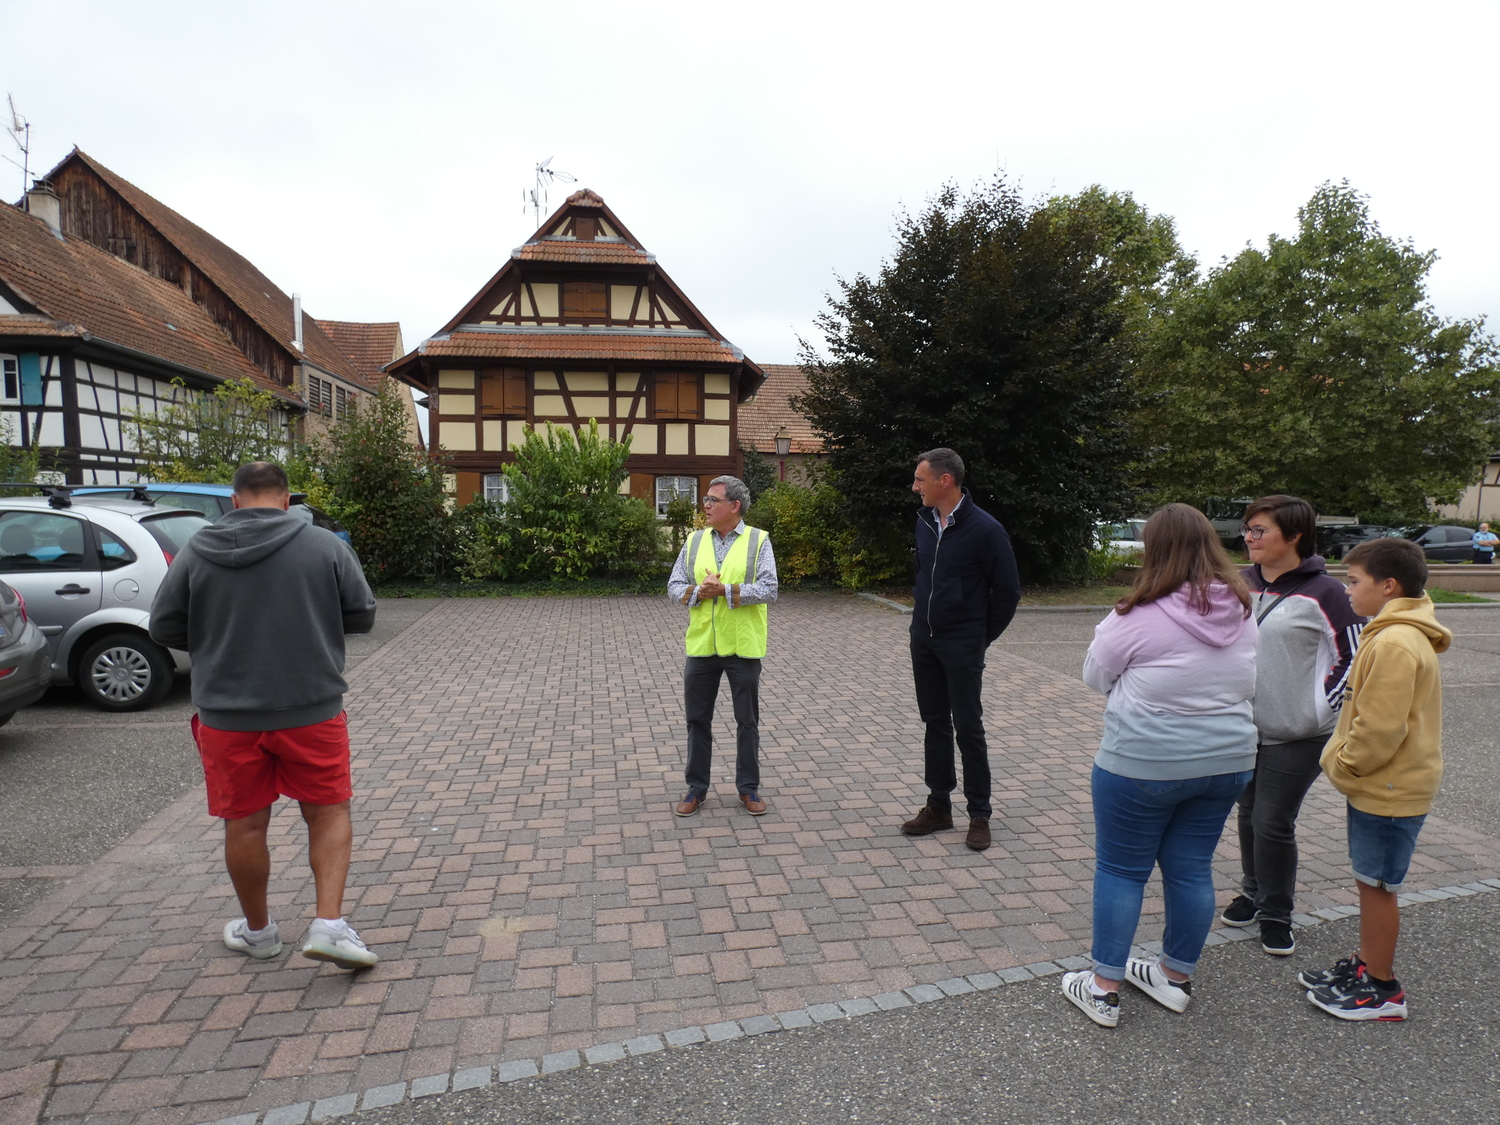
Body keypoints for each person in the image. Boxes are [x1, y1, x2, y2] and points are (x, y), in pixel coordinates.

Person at [149, 461, 379, 970]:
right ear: (286, 499)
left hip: (227, 718)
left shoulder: (194, 552)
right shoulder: (324, 546)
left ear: (234, 501)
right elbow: (362, 614)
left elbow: (163, 627)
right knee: (328, 811)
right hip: (310, 708)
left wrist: (217, 639)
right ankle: (330, 927)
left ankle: (259, 933)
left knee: (245, 825)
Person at [1061, 504, 1257, 1028]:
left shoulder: (1135, 614)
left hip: (1144, 763)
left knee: (1122, 870)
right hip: (1228, 760)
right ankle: (1173, 977)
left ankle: (1103, 988)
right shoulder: (1242, 606)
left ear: (1155, 548)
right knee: (1191, 867)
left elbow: (1094, 676)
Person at [1300, 537, 1450, 1021]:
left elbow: (1380, 728)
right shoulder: (1390, 632)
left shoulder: (1394, 642)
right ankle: (1367, 965)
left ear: (1388, 586)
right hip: (1385, 785)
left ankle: (1382, 989)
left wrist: (1342, 764)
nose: (1347, 590)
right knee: (1371, 882)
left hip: (1388, 789)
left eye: (1354, 581)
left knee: (1378, 886)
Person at [1221, 496, 1364, 957]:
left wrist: (1319, 709)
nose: (1248, 537)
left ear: (1295, 535)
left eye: (1259, 530)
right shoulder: (1240, 582)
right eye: (1247, 529)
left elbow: (1353, 657)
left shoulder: (1328, 593)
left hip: (1298, 733)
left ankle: (1277, 912)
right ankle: (1252, 890)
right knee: (1248, 813)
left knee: (1272, 819)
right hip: (1243, 727)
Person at [902, 448, 1021, 851]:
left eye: (920, 479)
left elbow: (1008, 592)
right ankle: (938, 807)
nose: (914, 486)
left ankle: (979, 814)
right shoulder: (924, 522)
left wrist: (978, 636)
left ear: (944, 481)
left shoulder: (986, 530)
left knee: (969, 728)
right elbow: (923, 575)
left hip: (962, 642)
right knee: (935, 723)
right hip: (925, 639)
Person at [666, 476, 778, 818]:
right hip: (701, 647)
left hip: (742, 648)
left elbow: (770, 589)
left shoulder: (759, 540)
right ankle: (696, 789)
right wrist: (700, 591)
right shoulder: (695, 540)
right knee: (697, 720)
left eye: (713, 500)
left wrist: (726, 591)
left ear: (734, 506)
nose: (706, 505)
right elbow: (673, 586)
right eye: (705, 499)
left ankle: (749, 788)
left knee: (747, 721)